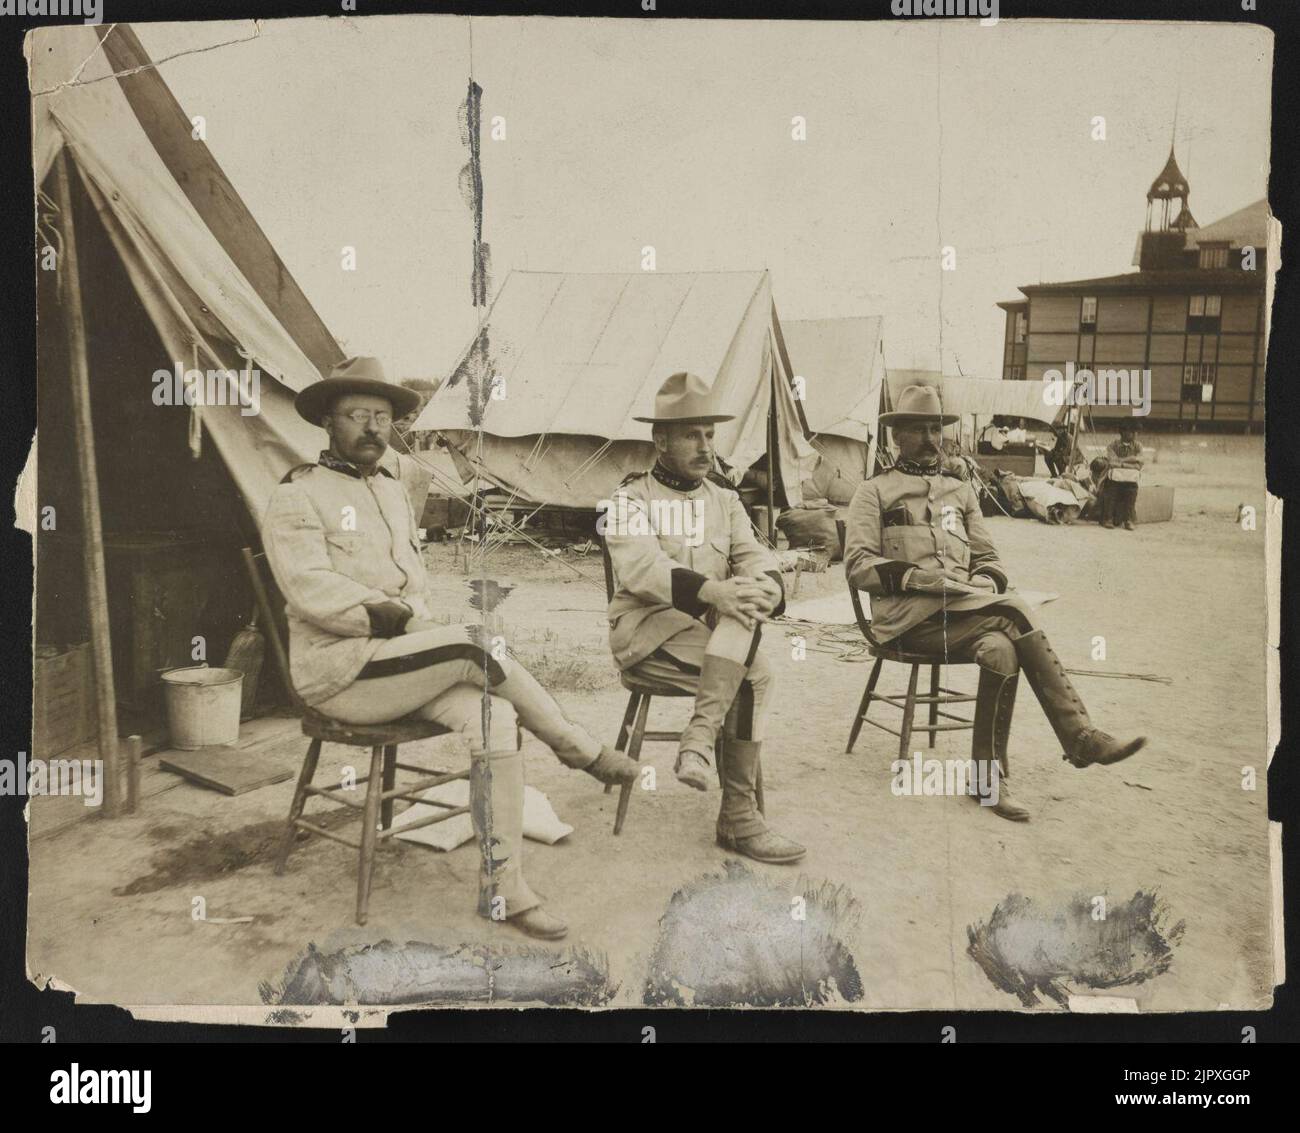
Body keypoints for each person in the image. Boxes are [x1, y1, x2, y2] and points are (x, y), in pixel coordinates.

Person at [262, 357, 638, 940]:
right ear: (327, 425)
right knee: (476, 643)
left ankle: (504, 891)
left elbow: (415, 587)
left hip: (399, 666)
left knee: (498, 713)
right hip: (341, 673)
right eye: (355, 415)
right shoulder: (298, 495)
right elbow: (311, 590)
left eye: (381, 417)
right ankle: (579, 750)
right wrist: (401, 620)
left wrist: (418, 624)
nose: (370, 428)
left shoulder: (391, 491)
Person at [843, 384, 1146, 823]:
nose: (931, 438)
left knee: (1002, 648)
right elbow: (857, 566)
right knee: (1015, 608)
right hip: (907, 621)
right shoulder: (874, 492)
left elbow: (988, 558)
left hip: (963, 614)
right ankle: (1079, 736)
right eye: (919, 430)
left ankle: (987, 781)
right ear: (897, 437)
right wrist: (923, 579)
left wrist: (979, 583)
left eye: (936, 428)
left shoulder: (960, 491)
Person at [603, 371, 805, 864]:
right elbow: (644, 569)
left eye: (710, 434)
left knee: (744, 611)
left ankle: (699, 740)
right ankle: (737, 818)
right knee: (753, 674)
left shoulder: (725, 499)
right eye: (692, 435)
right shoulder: (630, 501)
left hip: (712, 636)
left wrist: (763, 588)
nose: (705, 446)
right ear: (661, 440)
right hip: (647, 633)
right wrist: (718, 592)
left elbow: (757, 556)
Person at [1099, 423, 1144, 531]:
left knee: (1132, 491)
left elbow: (1140, 464)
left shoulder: (1138, 446)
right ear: (1123, 432)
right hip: (1114, 478)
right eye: (1131, 432)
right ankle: (1108, 518)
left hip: (1130, 479)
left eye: (1135, 432)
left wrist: (1122, 462)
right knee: (1111, 490)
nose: (1134, 434)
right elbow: (1112, 462)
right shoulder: (1113, 445)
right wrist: (1132, 461)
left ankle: (1128, 520)